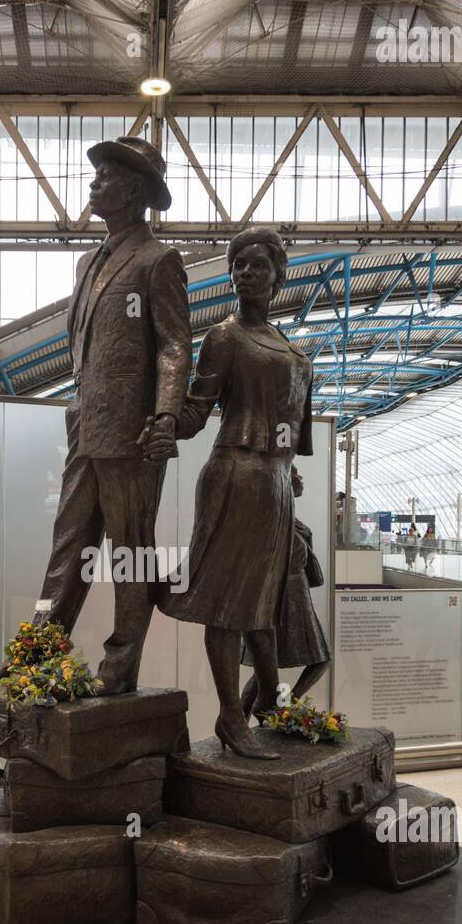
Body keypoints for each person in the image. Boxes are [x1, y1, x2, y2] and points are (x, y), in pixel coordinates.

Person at [0, 135, 191, 695]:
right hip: (87, 428)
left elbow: (174, 346)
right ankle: (36, 652)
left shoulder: (159, 261)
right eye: (95, 176)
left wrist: (165, 416)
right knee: (68, 546)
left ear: (135, 190)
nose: (93, 184)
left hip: (135, 434)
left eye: (106, 177)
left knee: (131, 554)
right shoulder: (88, 262)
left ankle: (121, 666)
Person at [146, 225, 313, 758]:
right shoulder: (224, 336)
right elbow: (199, 410)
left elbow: (292, 436)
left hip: (274, 487)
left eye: (256, 264)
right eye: (238, 265)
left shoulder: (296, 353)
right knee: (224, 603)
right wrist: (164, 423)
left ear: (277, 276)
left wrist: (287, 473)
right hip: (234, 475)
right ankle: (229, 717)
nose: (244, 272)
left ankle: (264, 700)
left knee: (260, 605)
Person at [239, 463, 330, 717]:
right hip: (283, 596)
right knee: (274, 665)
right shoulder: (271, 517)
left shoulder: (287, 515)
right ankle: (255, 713)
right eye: (295, 474)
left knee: (267, 668)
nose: (301, 478)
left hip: (296, 593)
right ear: (283, 482)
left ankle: (246, 715)